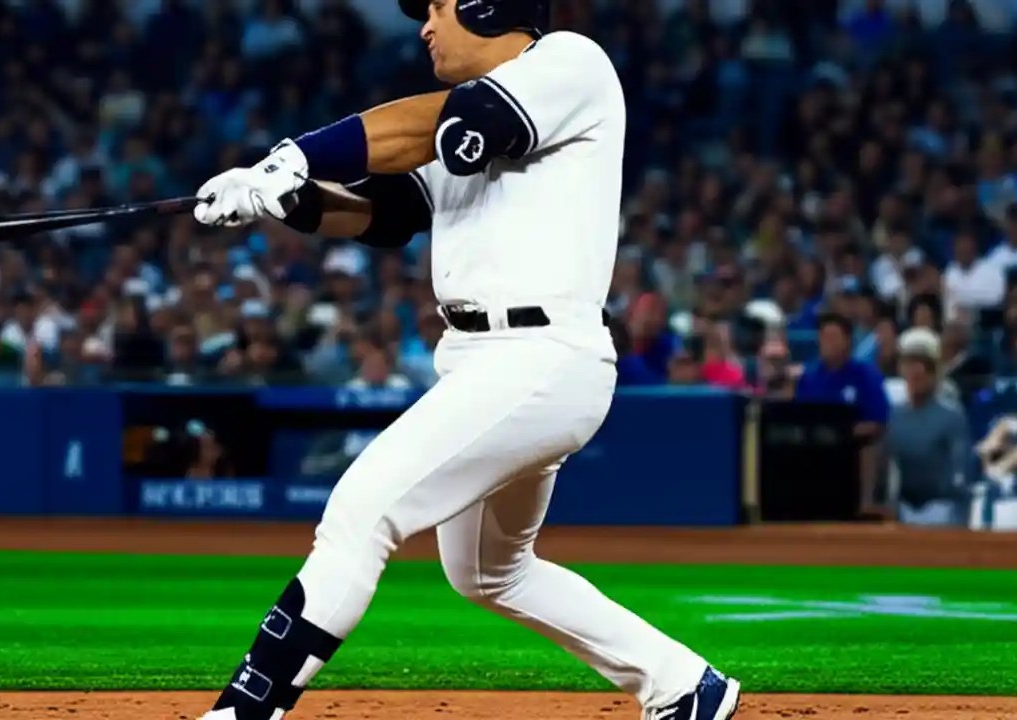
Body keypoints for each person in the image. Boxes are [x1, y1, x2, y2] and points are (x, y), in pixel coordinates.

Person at [190, 2, 739, 720]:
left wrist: (290, 157)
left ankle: (247, 708)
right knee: (490, 572)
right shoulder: (470, 121)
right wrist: (281, 199)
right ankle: (683, 685)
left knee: (362, 511)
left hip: (541, 356)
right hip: (482, 359)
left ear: (487, 4)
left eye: (438, 8)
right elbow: (382, 211)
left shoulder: (569, 63)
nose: (423, 26)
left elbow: (437, 122)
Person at [795, 313, 891, 515]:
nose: (827, 343)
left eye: (833, 337)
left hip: (852, 445)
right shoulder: (809, 377)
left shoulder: (866, 374)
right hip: (816, 445)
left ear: (847, 341)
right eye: (823, 337)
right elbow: (800, 417)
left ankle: (865, 504)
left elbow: (877, 423)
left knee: (869, 447)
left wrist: (842, 433)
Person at [884, 328, 971, 525]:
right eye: (910, 363)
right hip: (901, 508)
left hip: (942, 509)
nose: (918, 371)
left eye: (925, 364)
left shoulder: (951, 415)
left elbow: (960, 472)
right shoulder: (892, 414)